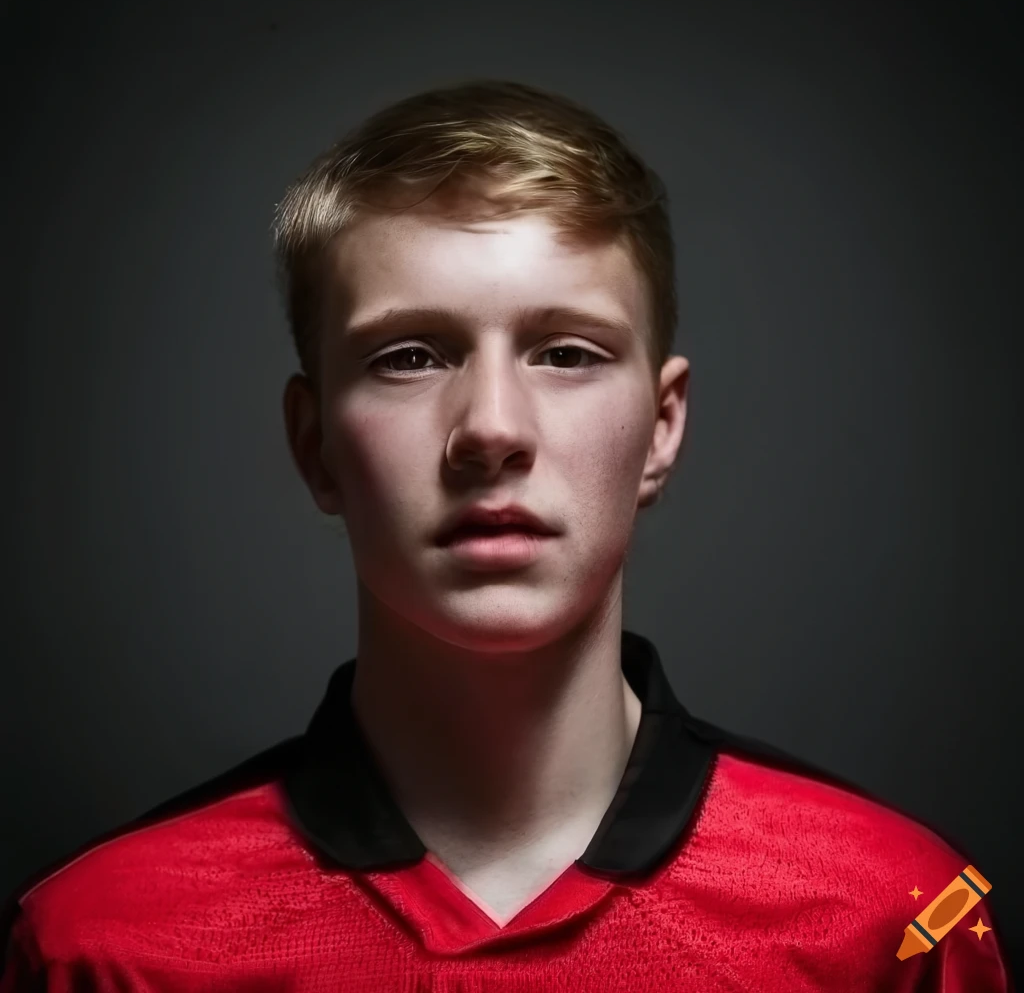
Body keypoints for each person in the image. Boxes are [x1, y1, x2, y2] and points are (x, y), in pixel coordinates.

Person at [0, 78, 1015, 992]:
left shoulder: (891, 923)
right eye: (409, 355)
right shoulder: (104, 945)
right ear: (314, 444)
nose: (490, 427)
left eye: (566, 352)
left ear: (661, 428)